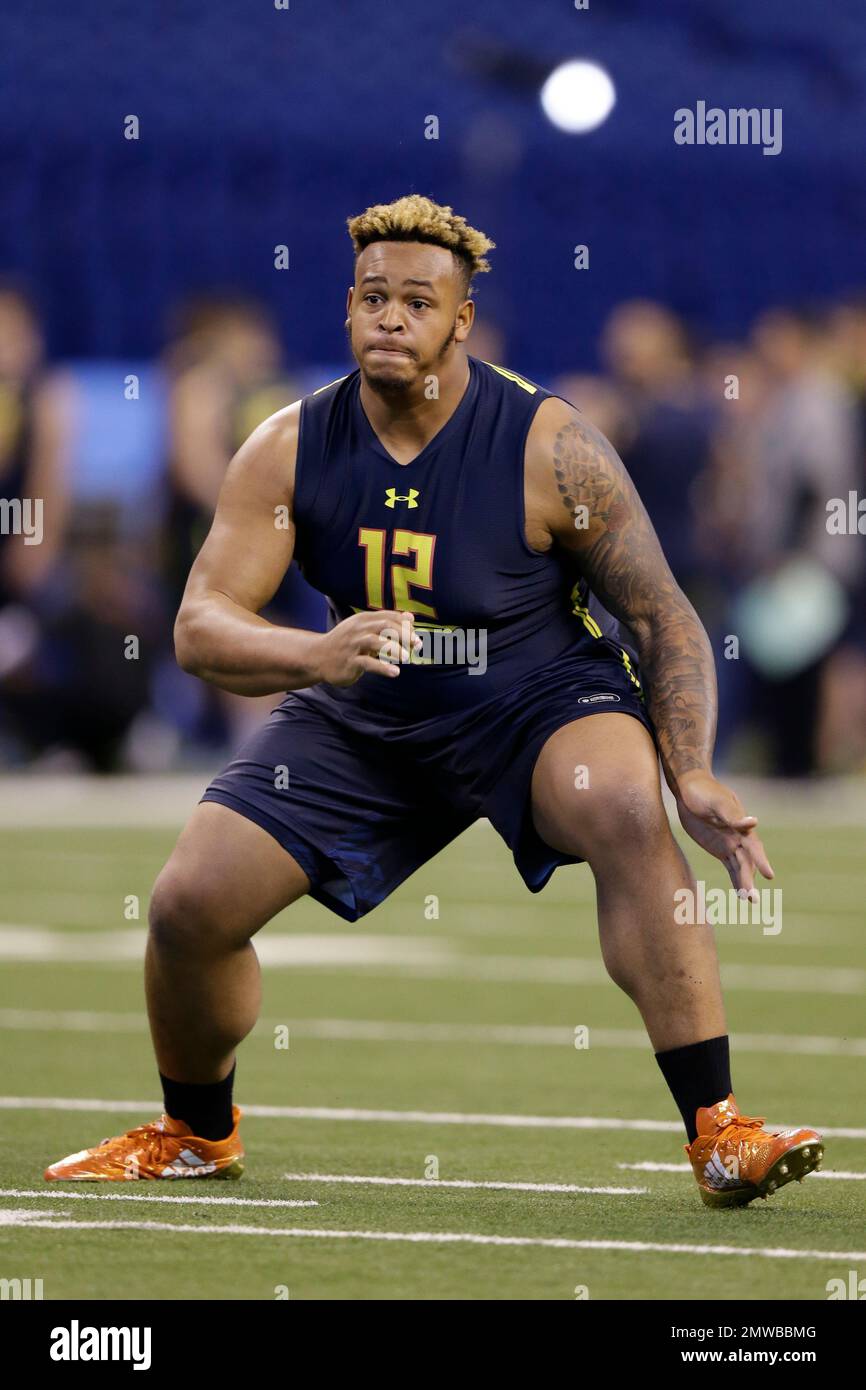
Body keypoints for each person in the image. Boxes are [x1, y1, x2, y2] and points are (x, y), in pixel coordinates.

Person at [45, 196, 822, 1206]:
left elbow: (664, 615)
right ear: (345, 310)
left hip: (533, 695)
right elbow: (198, 625)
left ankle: (718, 1132)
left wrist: (691, 772)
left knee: (625, 808)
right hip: (364, 701)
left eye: (417, 301)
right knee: (189, 905)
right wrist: (313, 653)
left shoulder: (548, 444)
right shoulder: (288, 443)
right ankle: (197, 1132)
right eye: (372, 297)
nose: (390, 318)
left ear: (461, 322)